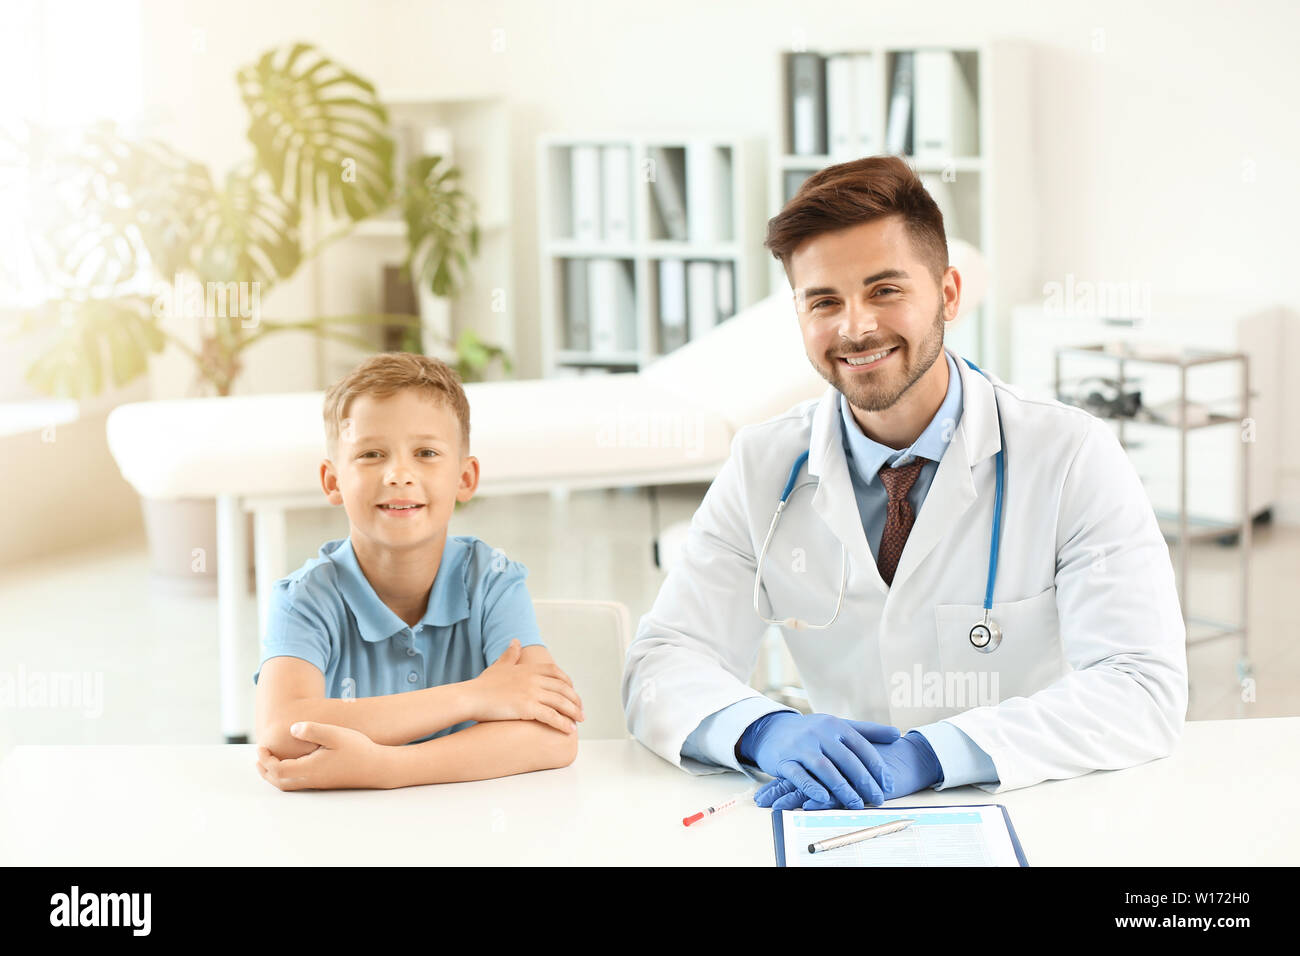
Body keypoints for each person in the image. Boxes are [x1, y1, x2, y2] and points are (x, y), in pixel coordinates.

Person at [622, 155, 1187, 811]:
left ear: (948, 293)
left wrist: (930, 754)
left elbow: (1140, 685)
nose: (856, 327)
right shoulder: (763, 466)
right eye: (824, 301)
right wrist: (765, 730)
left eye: (885, 290)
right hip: (836, 818)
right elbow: (661, 665)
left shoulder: (1070, 455)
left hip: (1029, 804)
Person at [254, 352, 584, 790]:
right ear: (333, 481)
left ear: (465, 478)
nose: (398, 474)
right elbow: (282, 730)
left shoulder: (493, 581)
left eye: (426, 452)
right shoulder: (304, 598)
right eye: (371, 454)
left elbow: (554, 734)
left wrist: (385, 768)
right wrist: (475, 696)